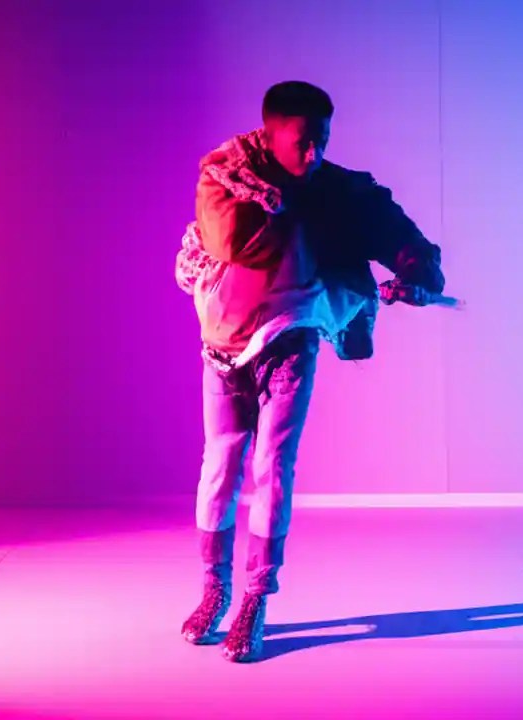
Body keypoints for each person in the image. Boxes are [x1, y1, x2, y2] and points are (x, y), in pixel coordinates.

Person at [175, 80, 446, 662]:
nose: (313, 154)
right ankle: (213, 588)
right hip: (222, 345)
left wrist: (416, 269)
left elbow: (398, 233)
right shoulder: (226, 175)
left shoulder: (337, 192)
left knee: (273, 464)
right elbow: (227, 242)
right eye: (301, 142)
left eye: (321, 141)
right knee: (220, 464)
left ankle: (255, 595)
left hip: (292, 336)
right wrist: (274, 199)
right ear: (270, 134)